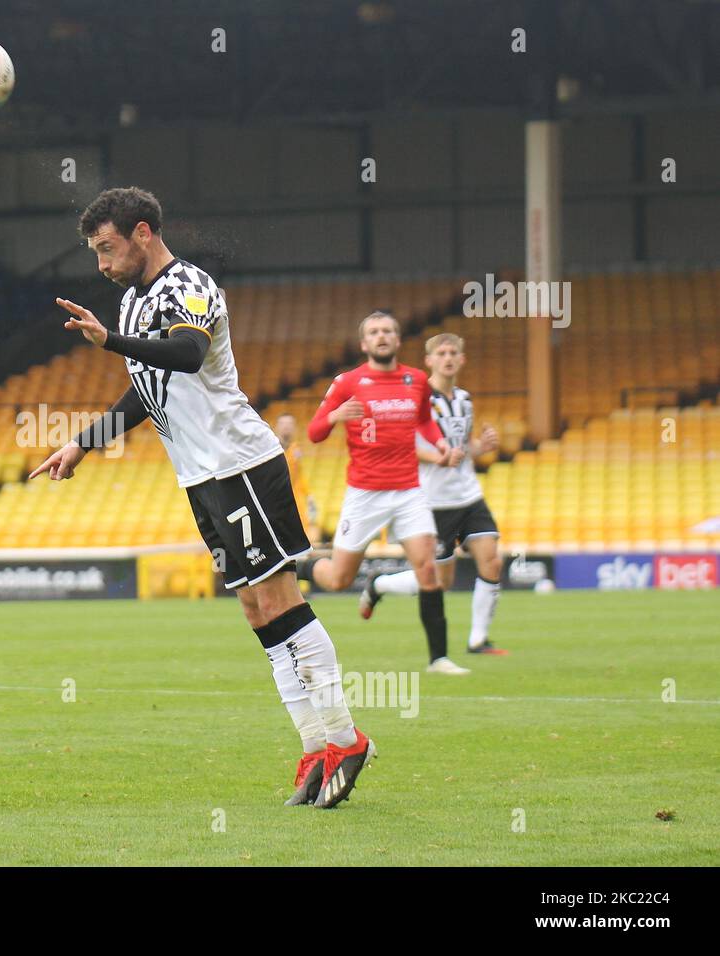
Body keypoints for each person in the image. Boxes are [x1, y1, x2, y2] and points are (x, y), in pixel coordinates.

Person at [30, 186, 375, 808]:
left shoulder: (189, 285)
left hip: (242, 464)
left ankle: (345, 740)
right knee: (256, 610)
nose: (102, 265)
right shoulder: (133, 303)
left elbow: (187, 355)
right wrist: (83, 442)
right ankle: (313, 745)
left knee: (281, 598)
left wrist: (110, 342)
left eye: (107, 248)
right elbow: (146, 391)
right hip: (200, 476)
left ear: (142, 232)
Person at [302, 312, 471, 675]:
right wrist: (335, 417)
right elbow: (314, 432)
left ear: (397, 339)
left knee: (428, 570)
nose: (382, 336)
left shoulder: (417, 380)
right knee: (339, 580)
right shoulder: (348, 382)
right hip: (365, 493)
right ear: (364, 343)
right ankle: (306, 565)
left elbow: (425, 421)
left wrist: (440, 443)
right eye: (374, 332)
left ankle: (439, 659)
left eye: (388, 331)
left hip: (409, 491)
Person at [361, 333, 507, 654]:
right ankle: (378, 585)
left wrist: (481, 446)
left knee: (492, 561)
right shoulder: (416, 399)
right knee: (440, 581)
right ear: (429, 360)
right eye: (441, 353)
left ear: (462, 359)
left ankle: (478, 640)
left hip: (469, 496)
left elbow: (461, 449)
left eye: (453, 352)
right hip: (434, 501)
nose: (448, 358)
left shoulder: (465, 399)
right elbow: (403, 447)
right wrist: (438, 457)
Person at [272, 413, 319, 543]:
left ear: (295, 428)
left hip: (295, 498)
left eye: (290, 424)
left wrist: (308, 494)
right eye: (283, 424)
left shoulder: (296, 449)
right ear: (276, 427)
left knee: (301, 532)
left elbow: (299, 474)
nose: (286, 427)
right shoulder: (271, 450)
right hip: (275, 499)